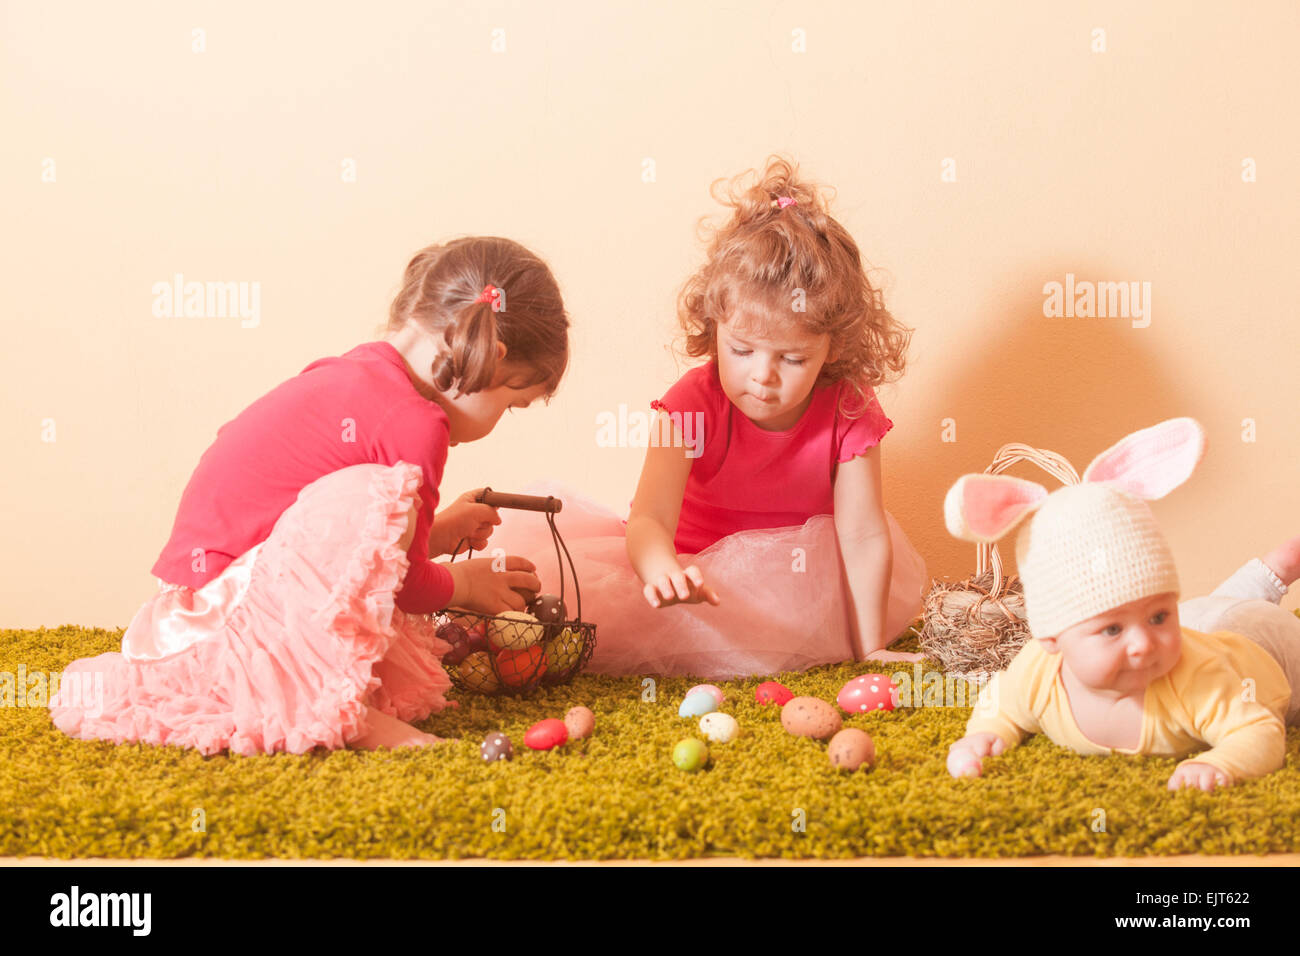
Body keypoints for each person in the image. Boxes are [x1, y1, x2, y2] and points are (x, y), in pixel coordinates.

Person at [50, 236, 567, 754]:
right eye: (513, 403)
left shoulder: (358, 372)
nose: (504, 420)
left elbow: (340, 551)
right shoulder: (420, 423)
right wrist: (462, 582)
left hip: (196, 604)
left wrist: (440, 531)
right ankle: (337, 712)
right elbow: (403, 583)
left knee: (368, 494)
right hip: (232, 623)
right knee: (371, 490)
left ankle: (328, 698)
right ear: (492, 359)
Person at [490, 156, 928, 678]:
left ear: (833, 347)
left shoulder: (849, 406)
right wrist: (662, 572)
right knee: (577, 605)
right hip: (693, 578)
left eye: (792, 359)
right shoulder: (692, 404)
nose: (762, 375)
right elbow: (649, 517)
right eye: (741, 350)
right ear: (713, 323)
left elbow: (862, 535)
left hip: (800, 587)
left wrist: (871, 647)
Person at [943, 417, 1300, 791]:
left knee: (1233, 617)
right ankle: (1258, 577)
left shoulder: (1201, 678)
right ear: (1050, 637)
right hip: (1201, 624)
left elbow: (1260, 730)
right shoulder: (1039, 672)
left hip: (1266, 647)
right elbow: (1000, 703)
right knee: (1208, 613)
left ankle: (1268, 575)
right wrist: (986, 732)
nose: (1144, 643)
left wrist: (1223, 761)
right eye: (1112, 629)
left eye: (1160, 615)